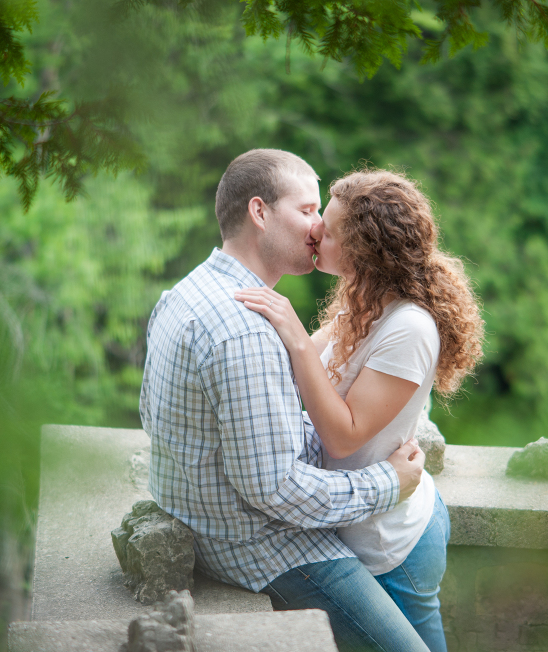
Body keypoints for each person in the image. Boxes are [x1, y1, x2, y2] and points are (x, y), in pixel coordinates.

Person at [139, 149, 431, 652]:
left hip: (211, 521)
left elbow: (150, 414)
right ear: (259, 212)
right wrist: (389, 482)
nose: (318, 227)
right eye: (306, 210)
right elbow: (274, 490)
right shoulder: (243, 331)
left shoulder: (185, 292)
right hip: (264, 545)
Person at [235, 169, 485, 652]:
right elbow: (298, 376)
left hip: (392, 545)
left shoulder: (409, 327)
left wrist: (292, 332)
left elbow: (344, 435)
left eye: (326, 229)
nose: (315, 233)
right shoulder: (363, 303)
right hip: (359, 523)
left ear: (363, 248)